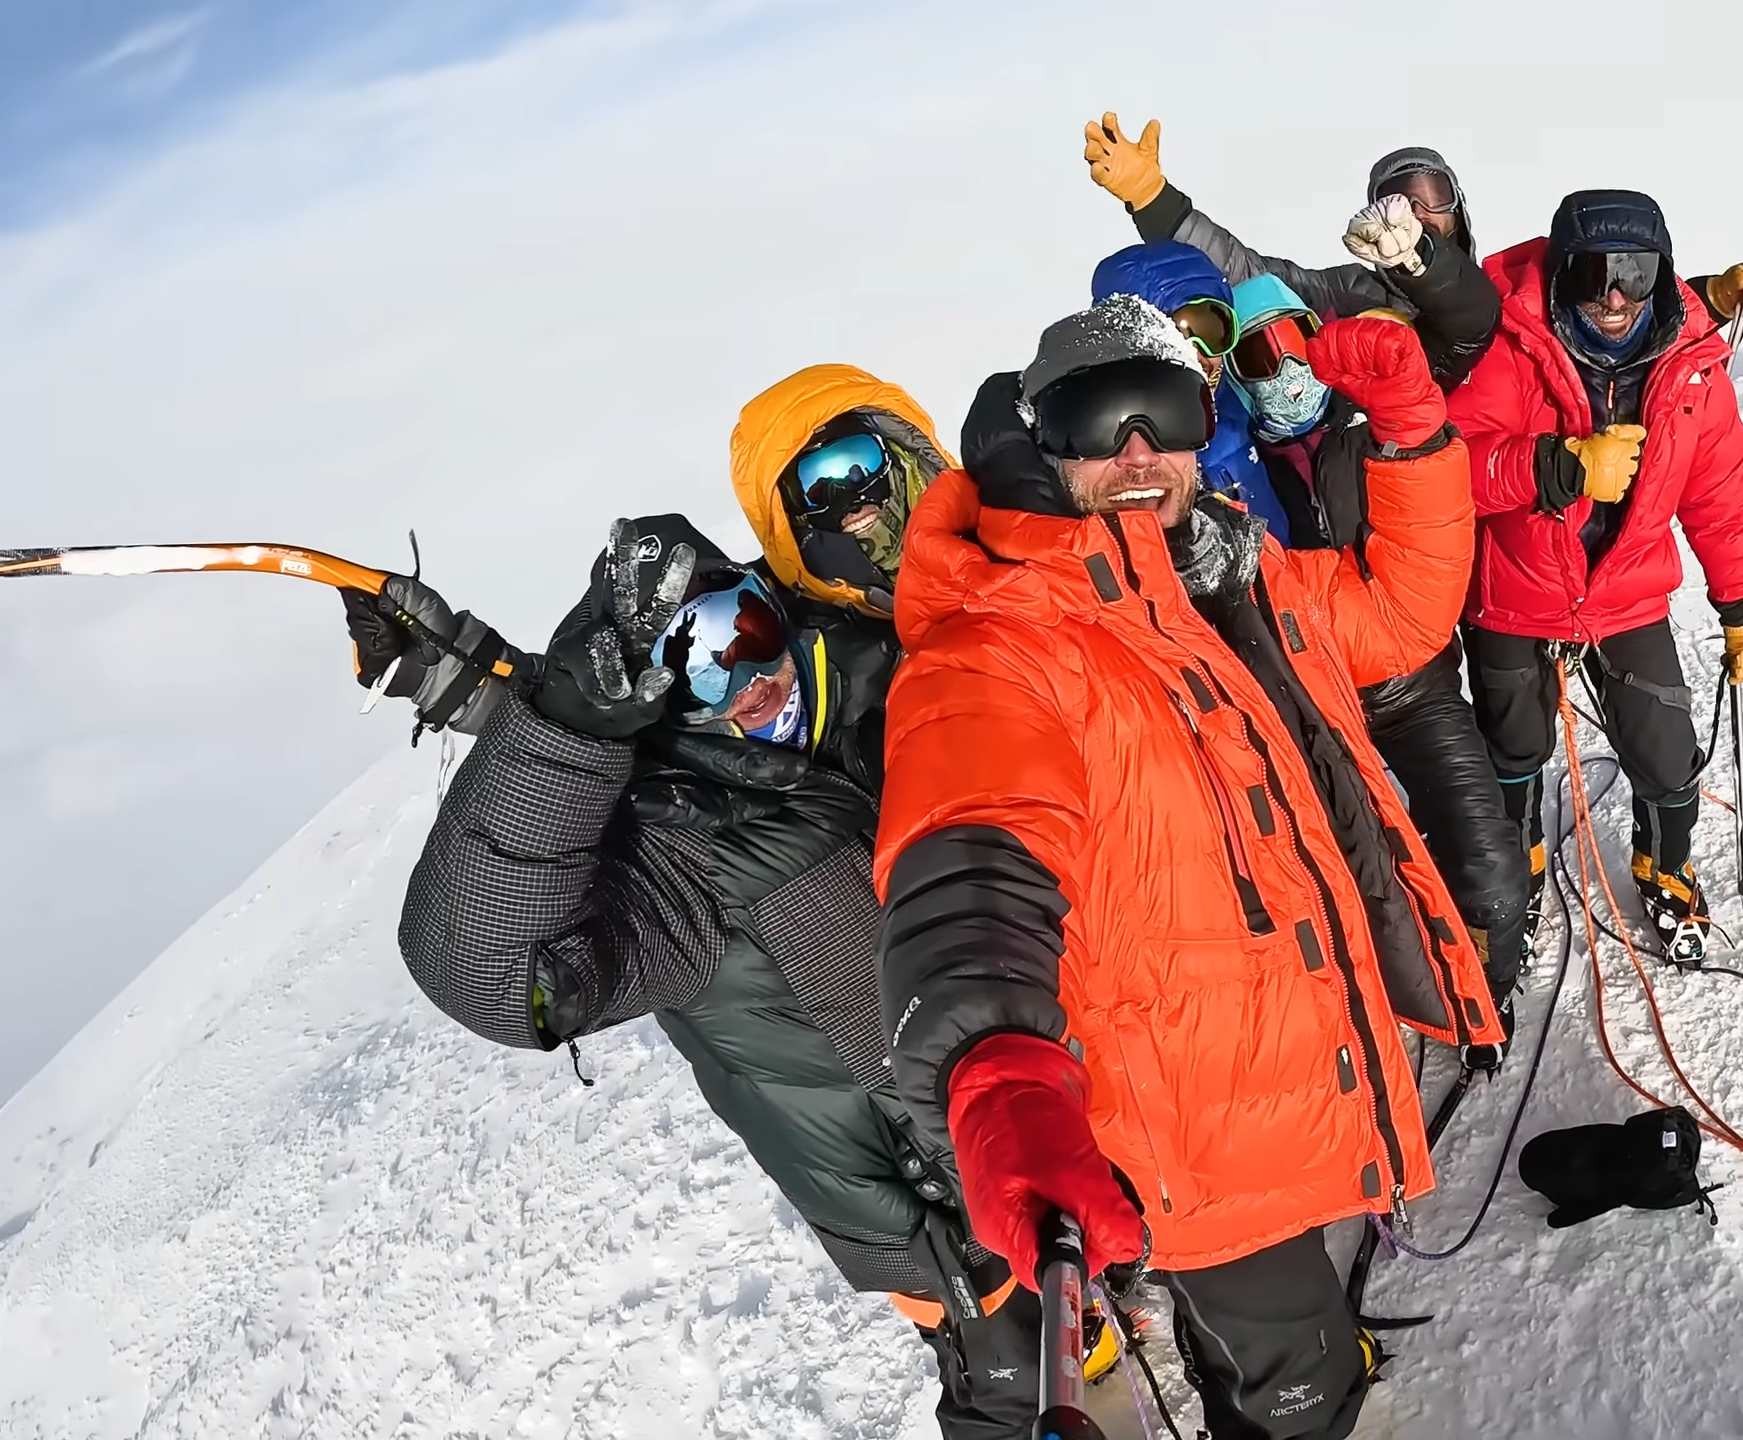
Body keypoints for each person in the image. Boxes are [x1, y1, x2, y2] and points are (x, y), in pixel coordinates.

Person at [341, 367, 1093, 1440]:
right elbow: (499, 979)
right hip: (933, 1226)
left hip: (1059, 1114)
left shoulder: (877, 672)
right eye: (692, 666)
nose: (742, 674)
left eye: (742, 623)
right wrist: (554, 724)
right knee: (1012, 1386)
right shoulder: (676, 855)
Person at [875, 295, 1498, 1440]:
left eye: (1160, 411)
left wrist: (1410, 430)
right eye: (1095, 418)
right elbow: (972, 865)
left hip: (1297, 1069)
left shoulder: (1231, 576)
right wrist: (996, 1072)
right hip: (1192, 1130)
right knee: (1293, 1379)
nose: (1133, 453)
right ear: (1038, 439)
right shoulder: (997, 642)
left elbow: (1405, 618)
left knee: (1277, 1330)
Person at [1447, 189, 1743, 968]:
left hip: (1626, 594)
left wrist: (1742, 604)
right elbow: (1444, 468)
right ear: (1561, 274)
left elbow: (1719, 496)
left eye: (1634, 270)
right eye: (1594, 273)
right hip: (1516, 593)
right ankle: (1517, 871)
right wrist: (1552, 469)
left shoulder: (1690, 369)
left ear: (1663, 275)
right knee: (1512, 753)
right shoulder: (1505, 344)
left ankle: (1664, 868)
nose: (1615, 294)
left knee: (1667, 752)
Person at [1223, 272, 1530, 1043]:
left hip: (1411, 686)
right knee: (1347, 890)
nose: (1282, 371)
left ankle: (1488, 987)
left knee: (1489, 873)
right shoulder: (1226, 471)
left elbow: (1463, 332)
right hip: (1309, 707)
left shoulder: (1374, 430)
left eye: (1294, 344)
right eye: (1255, 358)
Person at [1083, 114, 1501, 389]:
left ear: (1458, 207)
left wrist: (1419, 258)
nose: (1414, 215)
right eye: (1396, 201)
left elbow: (1469, 316)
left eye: (1431, 196)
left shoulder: (1498, 303)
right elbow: (1250, 278)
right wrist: (1154, 200)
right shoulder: (1352, 294)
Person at [1089, 240, 1287, 530]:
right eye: (1169, 338)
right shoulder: (1097, 445)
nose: (1195, 354)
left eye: (1210, 330)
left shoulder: (1246, 406)